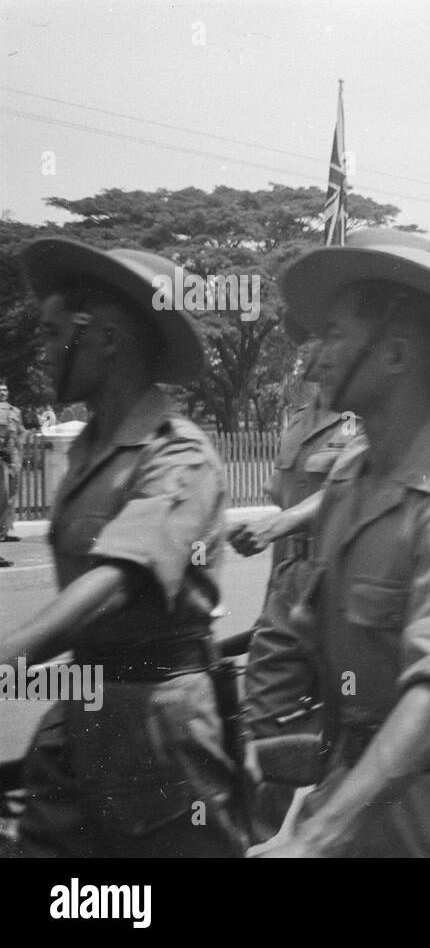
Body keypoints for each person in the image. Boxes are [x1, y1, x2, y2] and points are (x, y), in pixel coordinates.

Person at [248, 229, 430, 858]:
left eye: (335, 334)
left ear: (397, 355)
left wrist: (319, 837)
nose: (316, 355)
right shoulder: (351, 482)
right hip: (355, 793)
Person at [5, 238, 248, 856]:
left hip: (161, 726)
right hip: (87, 705)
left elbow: (118, 579)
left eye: (55, 332)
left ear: (105, 339)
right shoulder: (89, 450)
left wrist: (7, 656)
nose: (45, 349)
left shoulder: (179, 456)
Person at [228, 328, 359, 840]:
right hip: (287, 587)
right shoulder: (298, 422)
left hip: (342, 587)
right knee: (263, 725)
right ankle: (261, 841)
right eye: (309, 347)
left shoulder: (367, 422)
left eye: (325, 343)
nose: (315, 354)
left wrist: (279, 523)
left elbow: (345, 489)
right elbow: (281, 492)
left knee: (352, 731)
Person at [0, 378, 23, 551]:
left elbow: (19, 436)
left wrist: (19, 458)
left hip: (13, 458)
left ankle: (5, 531)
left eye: (5, 390)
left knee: (11, 496)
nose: (2, 393)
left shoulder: (16, 412)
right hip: (1, 457)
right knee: (3, 494)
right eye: (0, 390)